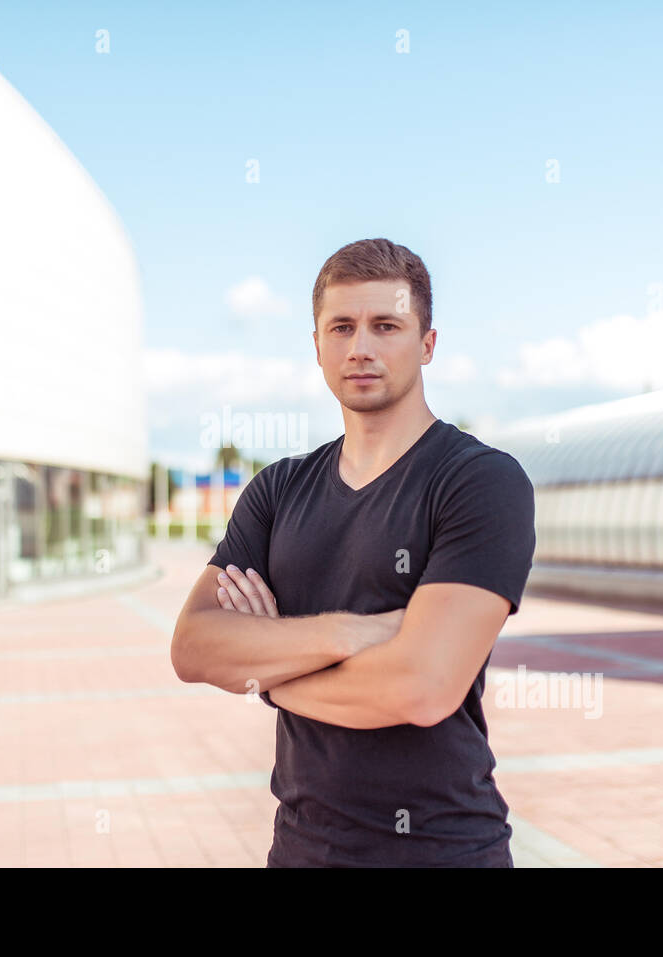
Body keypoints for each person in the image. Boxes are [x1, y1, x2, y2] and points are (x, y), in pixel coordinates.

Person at [170, 237, 535, 867]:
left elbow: (420, 687)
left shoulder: (479, 482)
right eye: (341, 327)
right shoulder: (278, 490)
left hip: (443, 851)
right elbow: (194, 647)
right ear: (316, 345)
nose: (360, 347)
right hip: (299, 850)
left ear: (427, 344)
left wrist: (269, 671)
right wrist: (352, 634)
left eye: (385, 325)